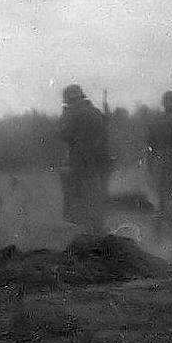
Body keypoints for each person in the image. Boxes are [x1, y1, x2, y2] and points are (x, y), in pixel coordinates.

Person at [56, 83, 112, 234]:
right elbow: (106, 125)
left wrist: (64, 114)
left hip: (78, 161)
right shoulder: (95, 112)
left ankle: (79, 229)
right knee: (95, 196)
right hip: (98, 161)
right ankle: (98, 228)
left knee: (75, 197)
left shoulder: (71, 113)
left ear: (68, 99)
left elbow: (61, 134)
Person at [145, 90, 172, 223]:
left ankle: (162, 219)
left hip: (160, 158)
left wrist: (150, 163)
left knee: (162, 191)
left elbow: (150, 144)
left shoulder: (156, 120)